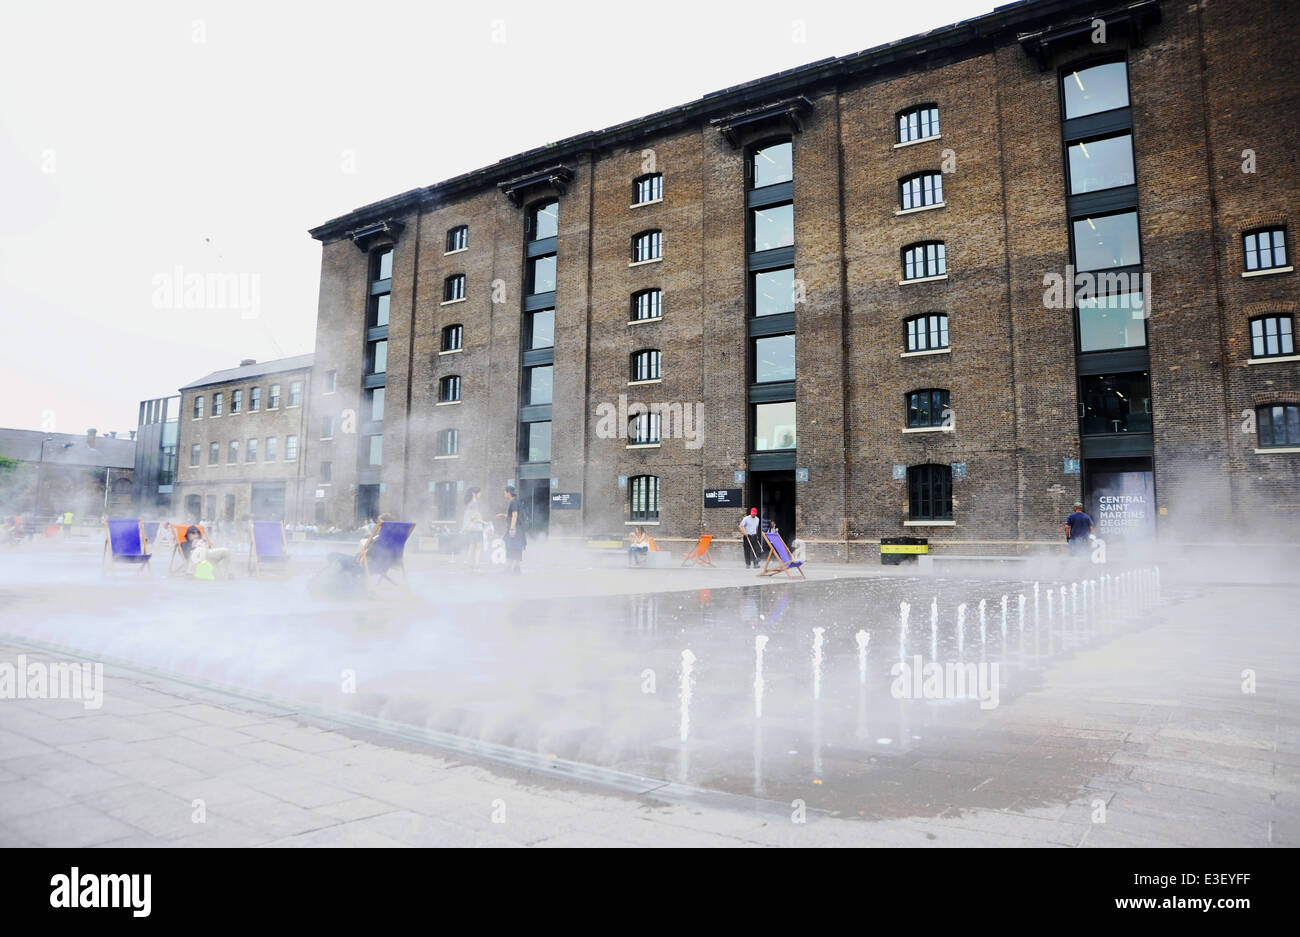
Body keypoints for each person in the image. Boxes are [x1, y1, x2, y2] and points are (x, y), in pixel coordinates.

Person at [499, 486, 525, 575]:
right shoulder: (517, 501)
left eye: (505, 493)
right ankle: (516, 568)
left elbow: (515, 515)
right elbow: (513, 515)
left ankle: (509, 567)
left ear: (508, 493)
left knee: (510, 547)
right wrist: (505, 515)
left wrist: (512, 528)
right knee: (517, 548)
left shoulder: (513, 502)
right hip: (519, 528)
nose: (504, 494)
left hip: (515, 529)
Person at [461, 487, 487, 569]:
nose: (480, 494)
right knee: (479, 547)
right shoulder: (474, 504)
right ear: (474, 494)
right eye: (479, 492)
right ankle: (476, 565)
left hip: (471, 529)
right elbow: (474, 518)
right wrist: (484, 522)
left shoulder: (470, 504)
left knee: (472, 546)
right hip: (476, 529)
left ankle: (470, 565)